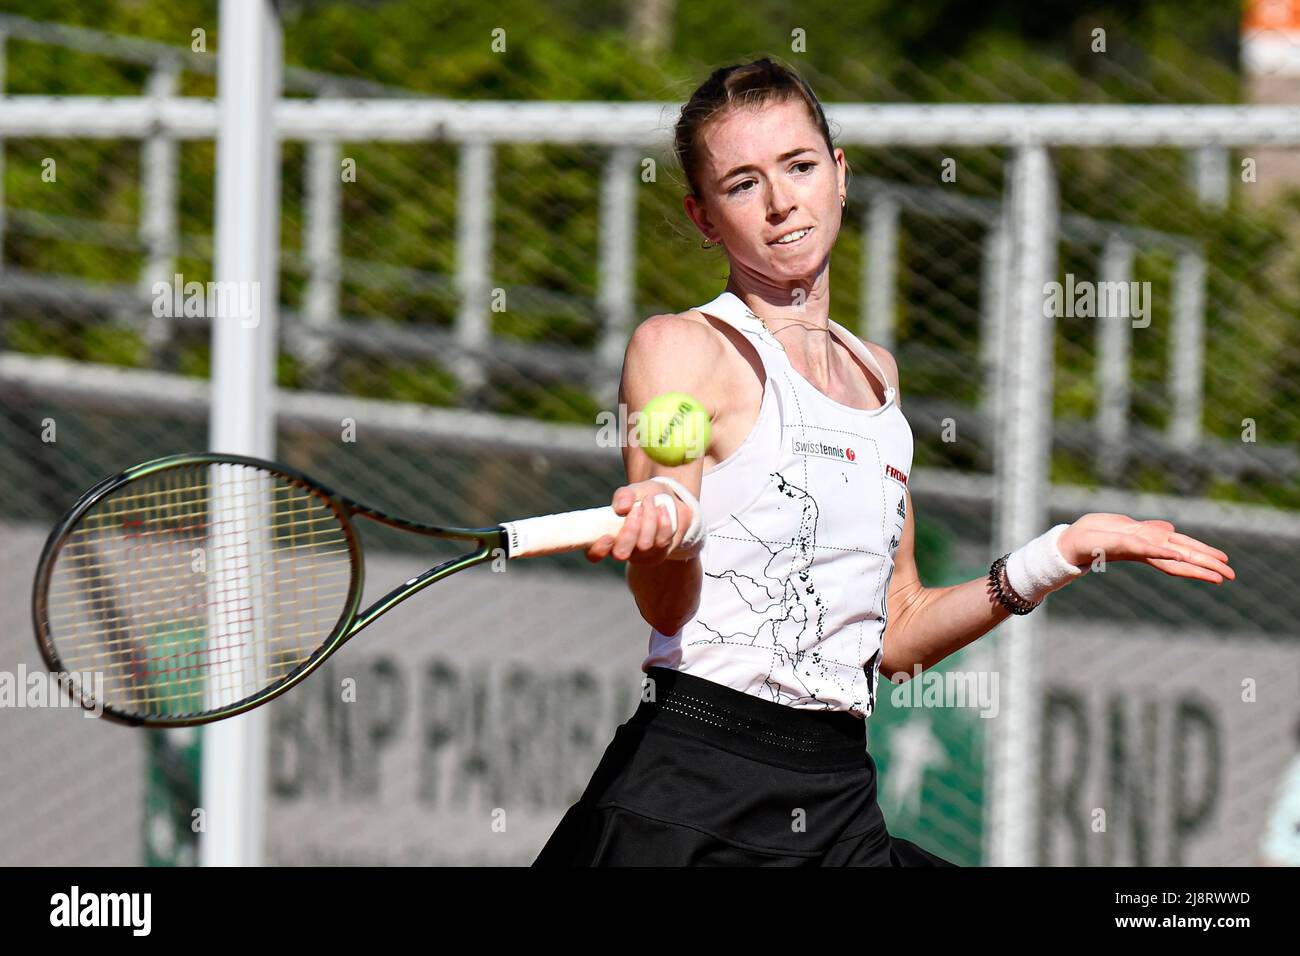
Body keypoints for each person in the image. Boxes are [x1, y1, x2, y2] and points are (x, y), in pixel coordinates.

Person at [534, 56, 1235, 867]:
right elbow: (664, 598)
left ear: (840, 174)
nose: (780, 202)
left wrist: (1060, 552)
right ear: (702, 216)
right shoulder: (680, 346)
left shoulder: (878, 379)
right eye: (741, 183)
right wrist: (672, 533)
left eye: (799, 167)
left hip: (837, 799)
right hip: (691, 793)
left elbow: (895, 635)